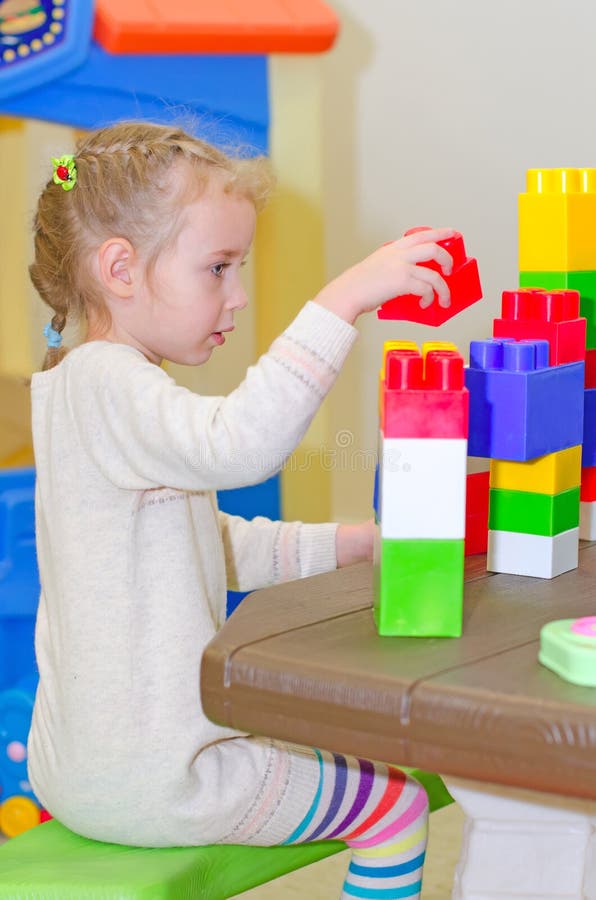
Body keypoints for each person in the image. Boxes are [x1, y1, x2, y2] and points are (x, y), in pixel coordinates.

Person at [27, 122, 454, 900]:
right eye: (218, 268)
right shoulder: (109, 382)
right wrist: (342, 301)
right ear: (120, 269)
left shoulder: (78, 392)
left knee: (313, 745)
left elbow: (207, 544)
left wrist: (352, 543)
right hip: (166, 778)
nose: (239, 295)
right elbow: (240, 446)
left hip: (86, 769)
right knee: (396, 803)